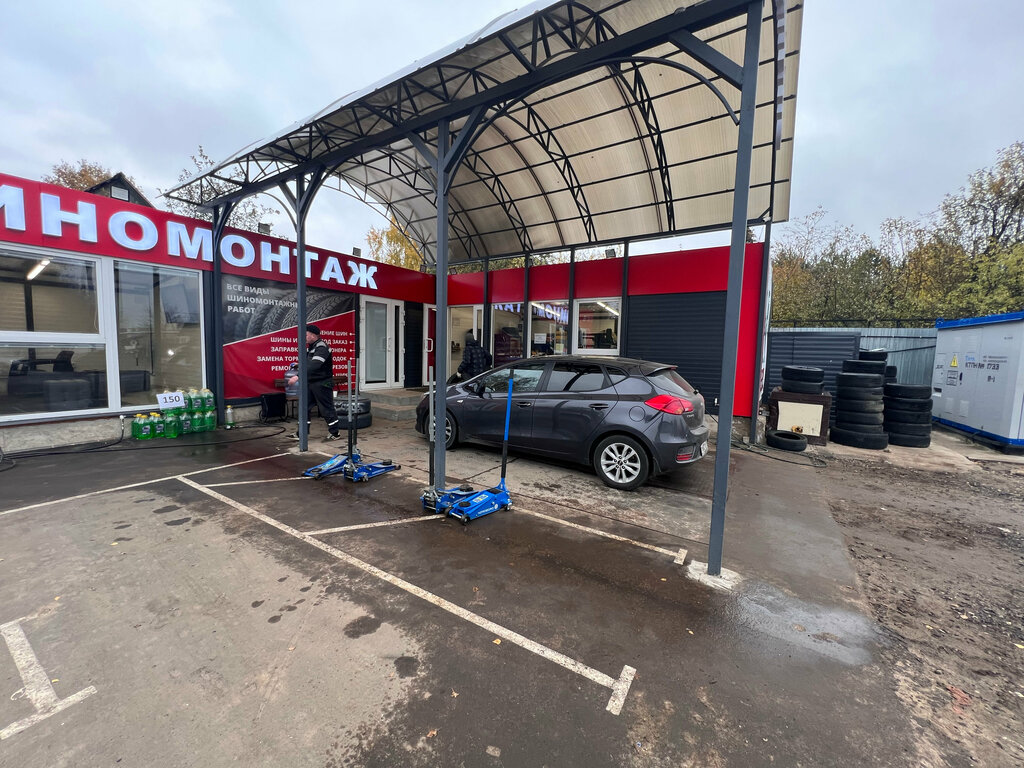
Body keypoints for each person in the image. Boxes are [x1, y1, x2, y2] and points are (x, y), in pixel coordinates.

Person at [287, 324, 341, 440]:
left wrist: (297, 377)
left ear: (313, 335)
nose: (304, 337)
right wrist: (299, 365)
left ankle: (335, 433)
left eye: (306, 335)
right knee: (304, 407)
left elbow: (314, 365)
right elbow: (308, 364)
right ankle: (301, 433)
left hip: (322, 383)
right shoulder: (311, 347)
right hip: (311, 382)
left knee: (326, 408)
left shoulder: (322, 347)